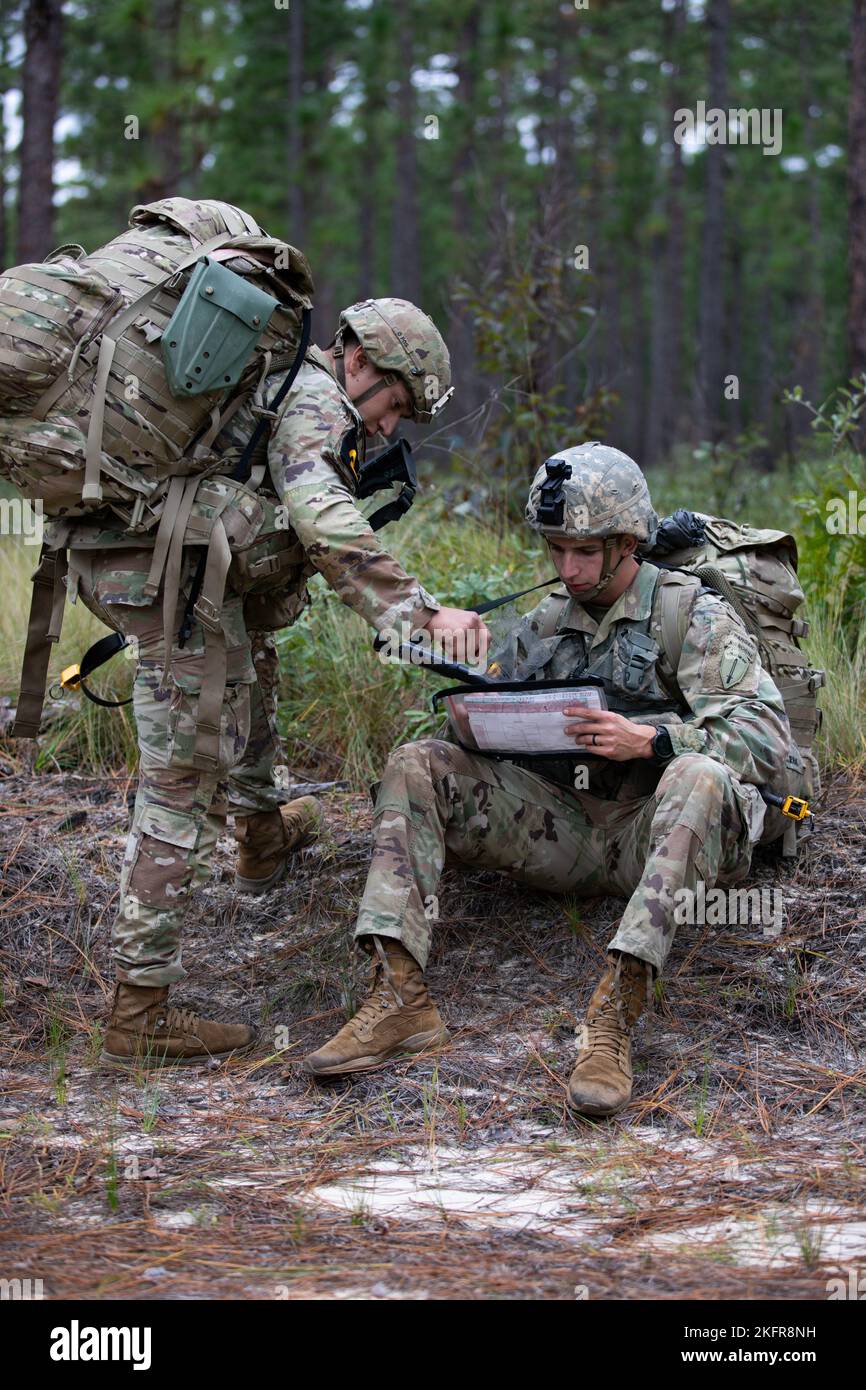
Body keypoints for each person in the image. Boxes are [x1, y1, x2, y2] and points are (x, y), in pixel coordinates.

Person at [302, 442, 796, 1119]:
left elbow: (769, 742)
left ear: (627, 543)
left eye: (585, 552)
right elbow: (490, 723)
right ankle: (397, 998)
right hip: (564, 829)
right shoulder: (545, 622)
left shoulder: (693, 615)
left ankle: (615, 1015)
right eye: (556, 549)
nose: (568, 568)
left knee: (702, 775)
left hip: (658, 834)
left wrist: (651, 740)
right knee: (417, 762)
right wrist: (475, 713)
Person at [69, 294, 488, 1068]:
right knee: (179, 782)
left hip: (172, 569)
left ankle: (261, 836)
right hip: (168, 585)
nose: (391, 428)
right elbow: (323, 517)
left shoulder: (281, 386)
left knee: (251, 667)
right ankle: (138, 1011)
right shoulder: (317, 399)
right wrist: (421, 617)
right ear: (358, 361)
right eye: (394, 404)